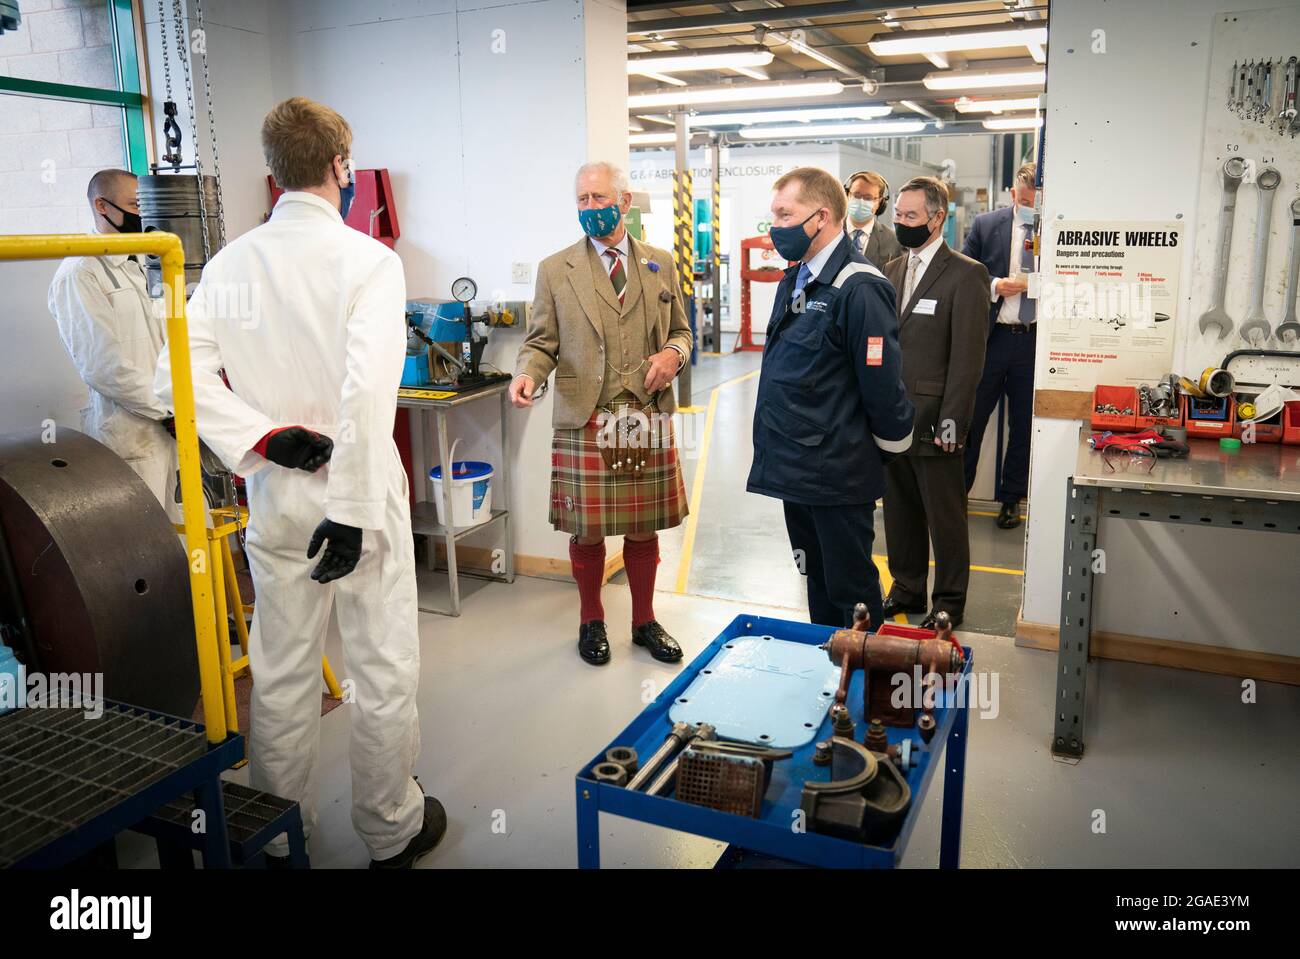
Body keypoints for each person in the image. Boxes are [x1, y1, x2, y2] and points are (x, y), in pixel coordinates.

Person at [155, 97, 441, 869]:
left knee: (281, 675)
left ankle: (280, 840)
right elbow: (366, 393)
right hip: (360, 505)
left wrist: (262, 436)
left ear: (272, 173)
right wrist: (347, 509)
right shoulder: (368, 261)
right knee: (381, 669)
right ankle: (391, 827)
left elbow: (170, 376)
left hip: (278, 498)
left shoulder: (229, 263)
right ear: (341, 166)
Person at [510, 161, 692, 667]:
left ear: (624, 202)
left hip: (644, 413)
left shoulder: (660, 262)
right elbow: (541, 342)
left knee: (642, 527)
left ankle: (643, 621)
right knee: (588, 529)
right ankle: (591, 619)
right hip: (585, 416)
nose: (590, 208)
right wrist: (528, 374)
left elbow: (682, 331)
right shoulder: (555, 269)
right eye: (582, 199)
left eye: (599, 198)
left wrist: (673, 355)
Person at [747, 167, 914, 631]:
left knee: (852, 593)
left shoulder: (860, 288)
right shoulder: (796, 278)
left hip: (837, 472)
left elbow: (882, 387)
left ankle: (866, 688)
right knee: (817, 584)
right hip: (796, 469)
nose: (774, 225)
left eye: (785, 214)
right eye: (773, 214)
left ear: (820, 217)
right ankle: (830, 677)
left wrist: (884, 451)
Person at [880, 177, 989, 629]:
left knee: (945, 517)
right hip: (894, 419)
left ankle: (948, 601)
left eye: (911, 216)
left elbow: (968, 360)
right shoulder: (890, 270)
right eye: (898, 216)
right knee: (899, 510)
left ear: (937, 217)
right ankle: (906, 587)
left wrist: (954, 423)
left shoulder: (967, 274)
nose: (902, 223)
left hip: (936, 422)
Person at [49, 169, 176, 511]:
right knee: (147, 540)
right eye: (135, 205)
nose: (143, 215)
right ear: (102, 207)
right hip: (132, 433)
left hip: (172, 423)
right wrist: (165, 410)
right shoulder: (80, 272)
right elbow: (103, 364)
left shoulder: (144, 263)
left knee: (188, 536)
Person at [962, 162, 1039, 530]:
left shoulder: (1054, 228)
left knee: (1024, 427)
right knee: (972, 420)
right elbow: (964, 274)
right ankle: (956, 495)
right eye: (1024, 199)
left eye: (1036, 200)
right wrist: (996, 286)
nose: (1030, 206)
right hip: (992, 339)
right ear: (1013, 194)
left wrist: (1035, 285)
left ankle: (1011, 499)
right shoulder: (986, 225)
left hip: (1032, 342)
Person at [844, 170, 903, 267]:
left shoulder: (893, 241)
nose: (861, 202)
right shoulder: (828, 231)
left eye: (868, 198)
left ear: (880, 202)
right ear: (848, 195)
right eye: (856, 195)